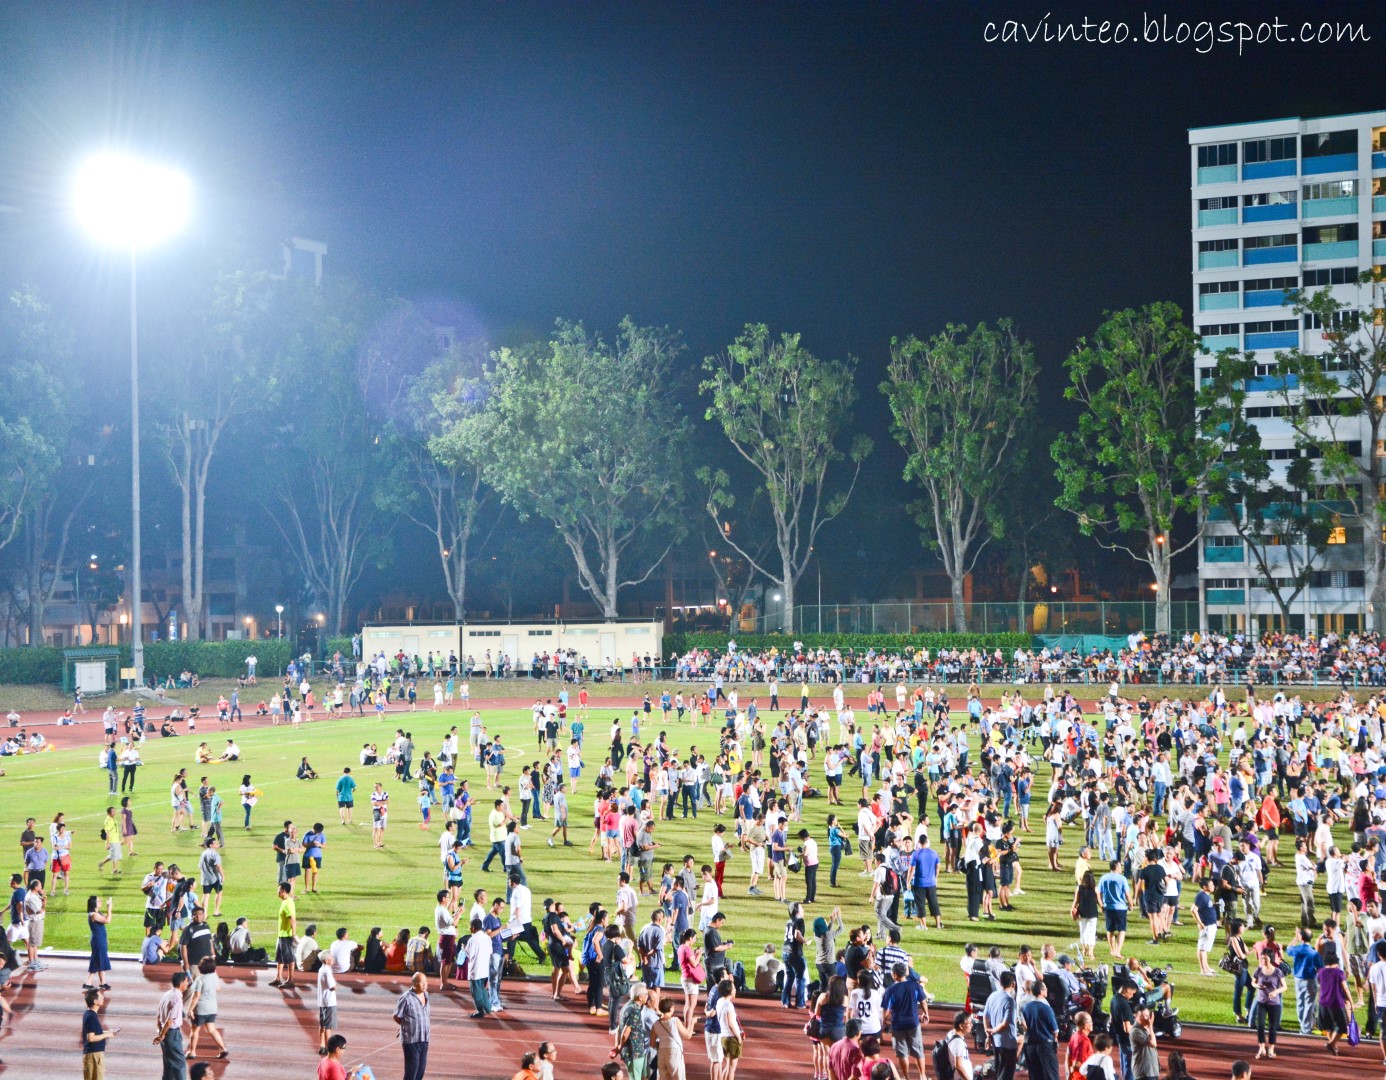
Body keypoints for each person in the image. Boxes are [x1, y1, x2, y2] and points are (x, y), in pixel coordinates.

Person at [881, 962, 926, 1080]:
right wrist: (926, 1013)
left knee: (902, 1053)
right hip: (914, 1024)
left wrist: (884, 1021)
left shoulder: (890, 990)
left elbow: (886, 1009)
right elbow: (923, 1001)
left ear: (894, 975)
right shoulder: (915, 986)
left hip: (898, 1025)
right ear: (905, 972)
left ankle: (906, 1077)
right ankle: (923, 1075)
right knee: (918, 1051)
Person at [187, 955, 228, 1060]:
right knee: (212, 1029)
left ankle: (192, 1052)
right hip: (212, 1008)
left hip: (200, 1009)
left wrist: (190, 1009)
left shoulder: (200, 980)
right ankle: (223, 1048)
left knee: (195, 1031)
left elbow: (196, 996)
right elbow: (218, 988)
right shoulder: (215, 977)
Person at [393, 970, 431, 1080]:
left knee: (421, 1069)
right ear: (414, 983)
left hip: (424, 1038)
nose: (424, 984)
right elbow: (397, 1016)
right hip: (411, 1040)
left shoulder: (426, 996)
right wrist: (404, 1026)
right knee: (412, 1071)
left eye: (425, 981)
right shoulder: (406, 998)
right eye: (421, 982)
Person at [1021, 979, 1061, 1080]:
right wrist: (1055, 1039)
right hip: (1044, 1045)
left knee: (1035, 1076)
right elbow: (1055, 1030)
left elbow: (1024, 1025)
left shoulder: (1026, 1007)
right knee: (1051, 1075)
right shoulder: (1046, 1007)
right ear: (1041, 991)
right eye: (1045, 989)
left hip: (1030, 1045)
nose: (1047, 990)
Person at [983, 970, 1019, 1080]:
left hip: (996, 1041)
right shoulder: (1010, 1000)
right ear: (1013, 984)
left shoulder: (992, 996)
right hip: (1008, 1042)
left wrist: (989, 1034)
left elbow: (985, 1016)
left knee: (999, 1070)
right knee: (1006, 1074)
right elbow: (1005, 1023)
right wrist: (993, 1031)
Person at [154, 970, 189, 1080]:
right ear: (181, 983)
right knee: (179, 1063)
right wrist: (161, 1035)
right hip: (172, 1034)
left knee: (168, 1064)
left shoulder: (167, 994)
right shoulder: (177, 998)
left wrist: (161, 1033)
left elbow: (159, 1016)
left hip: (165, 1033)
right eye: (187, 981)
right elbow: (170, 1021)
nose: (188, 983)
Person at [1316, 945, 1350, 1055]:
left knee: (1328, 1026)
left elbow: (1320, 987)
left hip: (1323, 1002)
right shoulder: (1339, 972)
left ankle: (1333, 1046)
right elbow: (1345, 988)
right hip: (1336, 1002)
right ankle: (1332, 1044)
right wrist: (1351, 1001)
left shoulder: (1320, 972)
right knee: (1342, 1026)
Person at [651, 995, 695, 1080]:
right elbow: (688, 1035)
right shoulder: (675, 1020)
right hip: (674, 1052)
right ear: (671, 1009)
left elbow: (652, 1043)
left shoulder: (656, 1024)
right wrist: (692, 1022)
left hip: (661, 1053)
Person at [1252, 949, 1285, 1059]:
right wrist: (1257, 986)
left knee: (1272, 1027)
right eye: (1262, 958)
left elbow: (1284, 986)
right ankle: (1261, 1048)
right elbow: (1253, 982)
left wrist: (1275, 991)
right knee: (1260, 1025)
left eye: (1265, 959)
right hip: (1261, 1001)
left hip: (1274, 1003)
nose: (1263, 961)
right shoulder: (1259, 970)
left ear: (1270, 959)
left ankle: (1271, 1049)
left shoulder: (1277, 972)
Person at [271, 882, 296, 989]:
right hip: (282, 934)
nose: (278, 892)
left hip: (286, 935)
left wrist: (293, 934)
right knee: (280, 958)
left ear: (284, 891)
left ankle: (290, 980)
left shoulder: (287, 903)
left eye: (279, 890)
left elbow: (293, 919)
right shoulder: (285, 901)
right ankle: (278, 977)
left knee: (289, 958)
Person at [85, 895, 113, 990]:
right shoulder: (94, 915)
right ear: (94, 904)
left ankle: (102, 982)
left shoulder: (97, 913)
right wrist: (109, 908)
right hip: (98, 940)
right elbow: (107, 920)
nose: (100, 902)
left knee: (100, 959)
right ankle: (89, 982)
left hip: (100, 939)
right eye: (99, 901)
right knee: (98, 960)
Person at [1129, 1004, 1157, 1080]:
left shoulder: (1146, 1029)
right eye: (1144, 1016)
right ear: (1136, 1016)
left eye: (1148, 1015)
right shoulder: (1135, 1031)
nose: (1147, 1018)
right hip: (1143, 1073)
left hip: (1152, 1071)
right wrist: (1150, 1027)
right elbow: (1153, 1044)